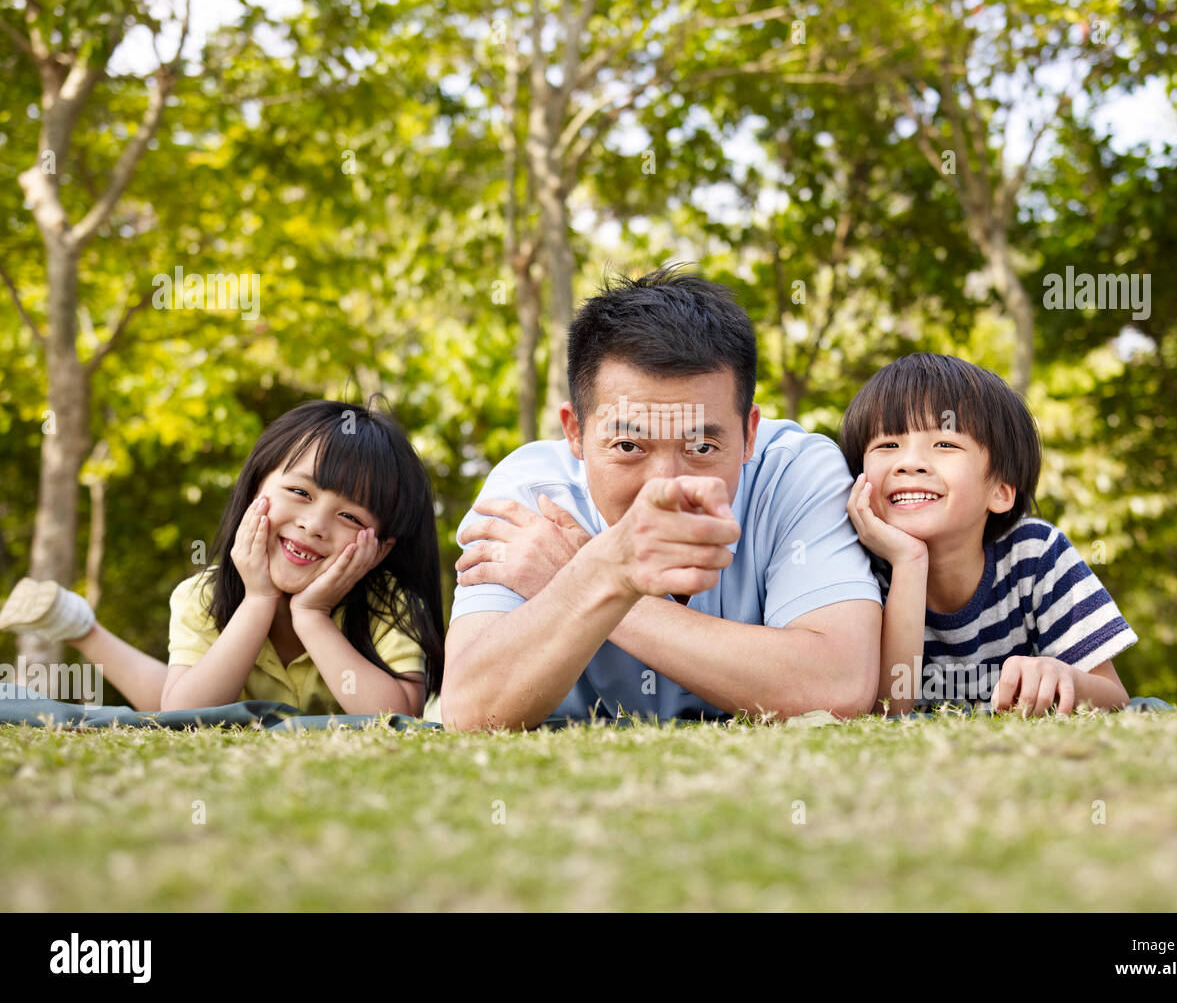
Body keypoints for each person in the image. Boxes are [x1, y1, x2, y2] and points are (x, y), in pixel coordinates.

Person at [444, 265, 883, 731]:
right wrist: (605, 571)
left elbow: (838, 687)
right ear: (575, 432)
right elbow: (470, 711)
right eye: (629, 447)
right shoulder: (531, 493)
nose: (666, 487)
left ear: (748, 433)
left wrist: (584, 575)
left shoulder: (796, 471)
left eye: (701, 448)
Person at [0, 399, 444, 716]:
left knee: (167, 698)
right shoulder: (204, 594)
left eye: (349, 514)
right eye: (299, 492)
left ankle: (78, 624)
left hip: (208, 686)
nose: (313, 524)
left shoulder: (390, 602)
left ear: (380, 547)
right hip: (199, 687)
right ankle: (81, 626)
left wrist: (312, 615)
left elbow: (398, 720)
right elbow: (186, 715)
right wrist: (257, 599)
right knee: (174, 699)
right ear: (254, 491)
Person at [841, 352, 1134, 716]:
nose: (909, 462)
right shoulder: (853, 567)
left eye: (945, 444)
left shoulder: (1035, 554)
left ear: (1000, 491)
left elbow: (1115, 697)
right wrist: (908, 561)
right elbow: (888, 712)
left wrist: (1063, 677)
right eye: (887, 445)